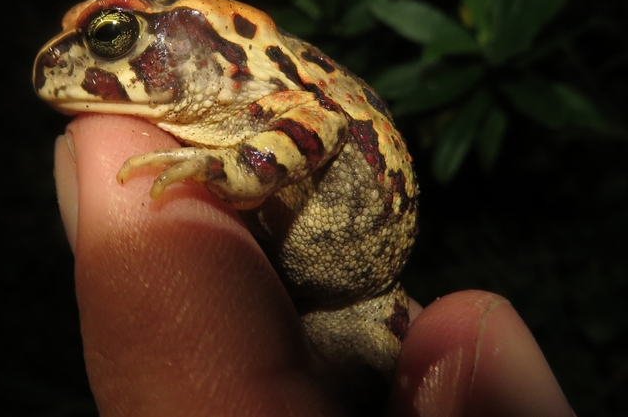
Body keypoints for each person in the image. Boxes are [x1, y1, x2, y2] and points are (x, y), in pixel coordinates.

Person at [52, 114, 576, 417]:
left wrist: (234, 169)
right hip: (279, 293)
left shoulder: (257, 78)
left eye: (112, 35)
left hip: (367, 306)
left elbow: (323, 121)